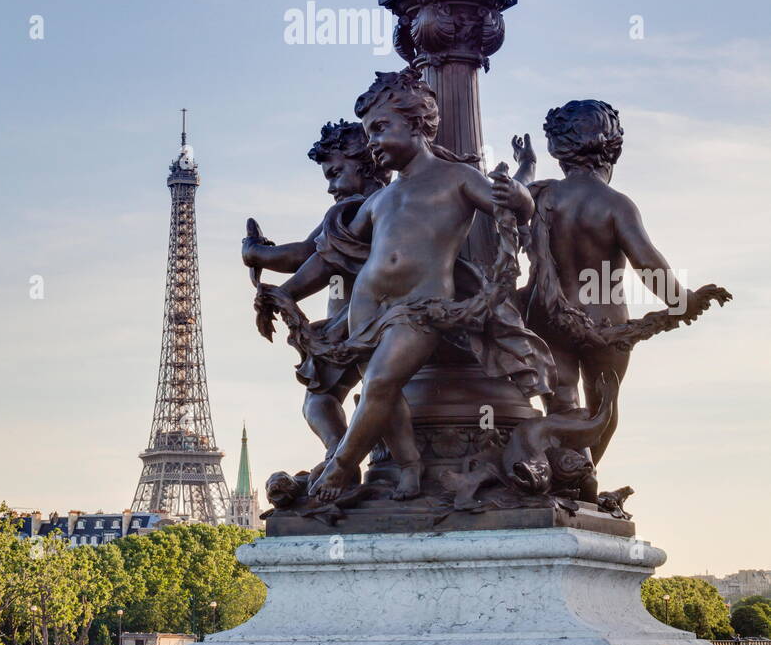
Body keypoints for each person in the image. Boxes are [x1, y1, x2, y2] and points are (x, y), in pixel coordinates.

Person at [309, 68, 554, 502]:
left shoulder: (456, 176)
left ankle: (341, 465)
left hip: (421, 306)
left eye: (381, 128)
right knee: (380, 392)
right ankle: (409, 464)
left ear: (418, 122)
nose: (373, 142)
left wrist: (520, 196)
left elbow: (517, 209)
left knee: (382, 384)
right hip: (367, 303)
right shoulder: (379, 198)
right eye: (368, 134)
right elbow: (329, 250)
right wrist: (283, 284)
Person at [524, 99, 721, 485]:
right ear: (612, 150)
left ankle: (556, 482)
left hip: (548, 315)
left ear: (557, 151)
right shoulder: (614, 204)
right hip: (606, 325)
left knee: (562, 406)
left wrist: (524, 164)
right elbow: (647, 262)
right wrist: (682, 300)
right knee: (603, 412)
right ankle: (580, 480)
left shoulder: (541, 198)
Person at [242, 120, 388, 467]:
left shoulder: (353, 209)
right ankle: (349, 459)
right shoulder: (390, 205)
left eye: (335, 173)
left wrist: (255, 254)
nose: (331, 187)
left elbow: (305, 255)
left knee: (320, 398)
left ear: (363, 163)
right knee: (375, 394)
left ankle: (340, 460)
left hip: (353, 324)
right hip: (369, 318)